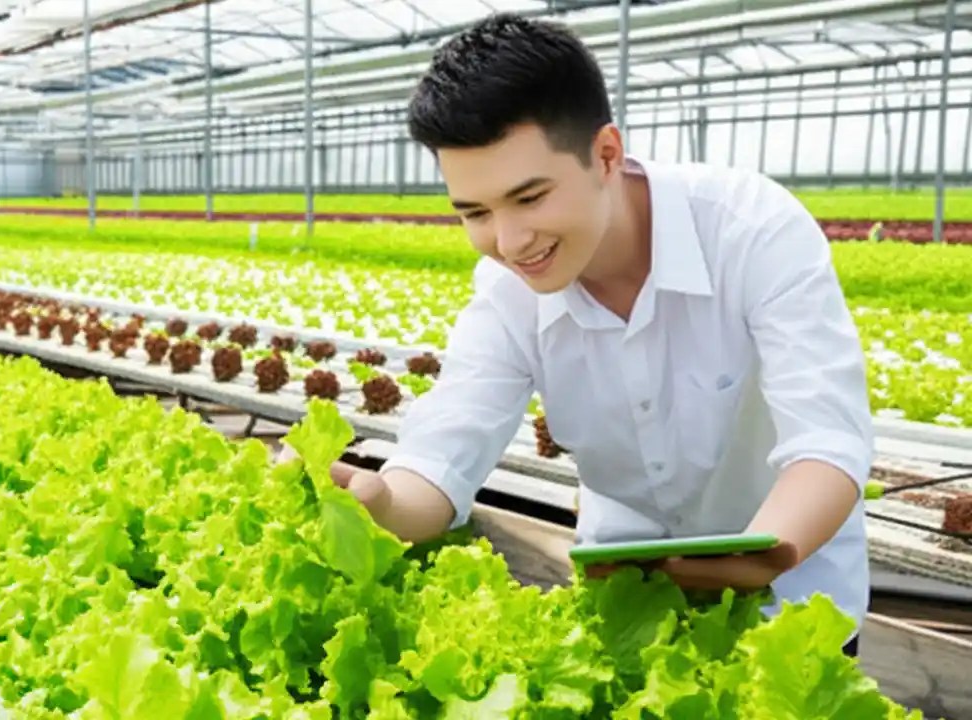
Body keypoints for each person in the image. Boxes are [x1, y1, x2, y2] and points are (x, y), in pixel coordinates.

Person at [320, 14, 872, 656]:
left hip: (796, 615)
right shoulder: (506, 291)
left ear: (606, 154)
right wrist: (376, 502)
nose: (508, 241)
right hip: (626, 614)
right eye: (474, 212)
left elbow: (828, 443)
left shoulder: (750, 230)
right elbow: (443, 454)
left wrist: (760, 557)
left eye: (529, 198)